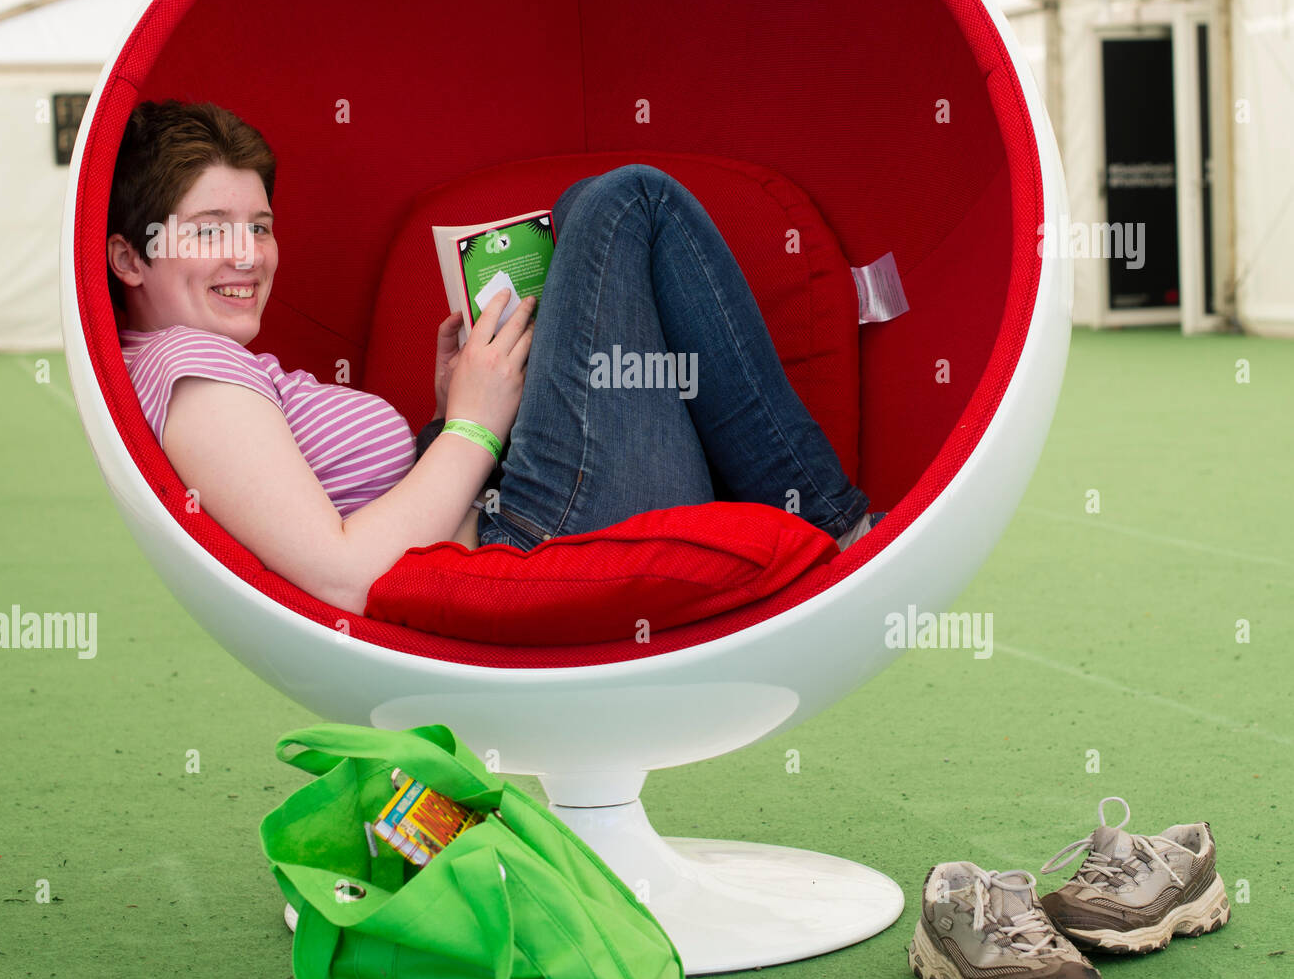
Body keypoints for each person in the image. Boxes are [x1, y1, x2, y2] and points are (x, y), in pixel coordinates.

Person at [107, 100, 883, 615]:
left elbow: (356, 509)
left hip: (508, 505)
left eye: (260, 225)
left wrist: (448, 413)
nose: (248, 255)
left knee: (591, 210)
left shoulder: (202, 361)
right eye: (209, 229)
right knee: (627, 202)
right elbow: (344, 575)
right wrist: (471, 432)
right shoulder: (195, 380)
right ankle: (834, 524)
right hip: (531, 541)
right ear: (129, 259)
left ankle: (804, 508)